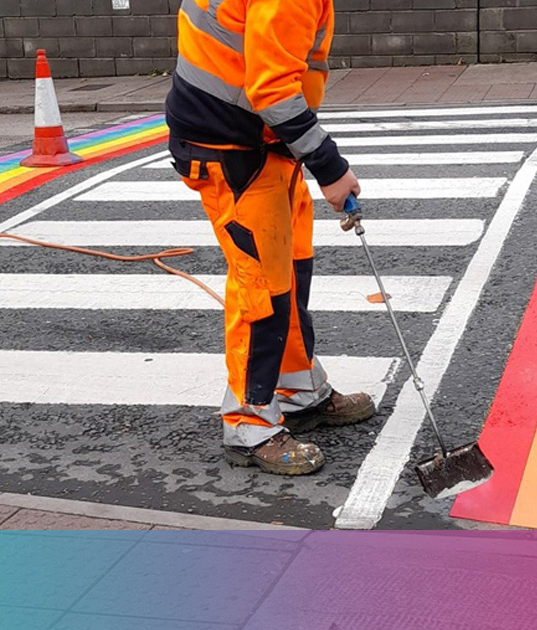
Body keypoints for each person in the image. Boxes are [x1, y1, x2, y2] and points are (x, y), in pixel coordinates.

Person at [165, 0, 375, 475]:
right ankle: (248, 421)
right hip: (230, 149)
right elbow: (272, 88)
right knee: (262, 288)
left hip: (260, 144)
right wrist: (330, 167)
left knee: (292, 271)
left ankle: (297, 389)